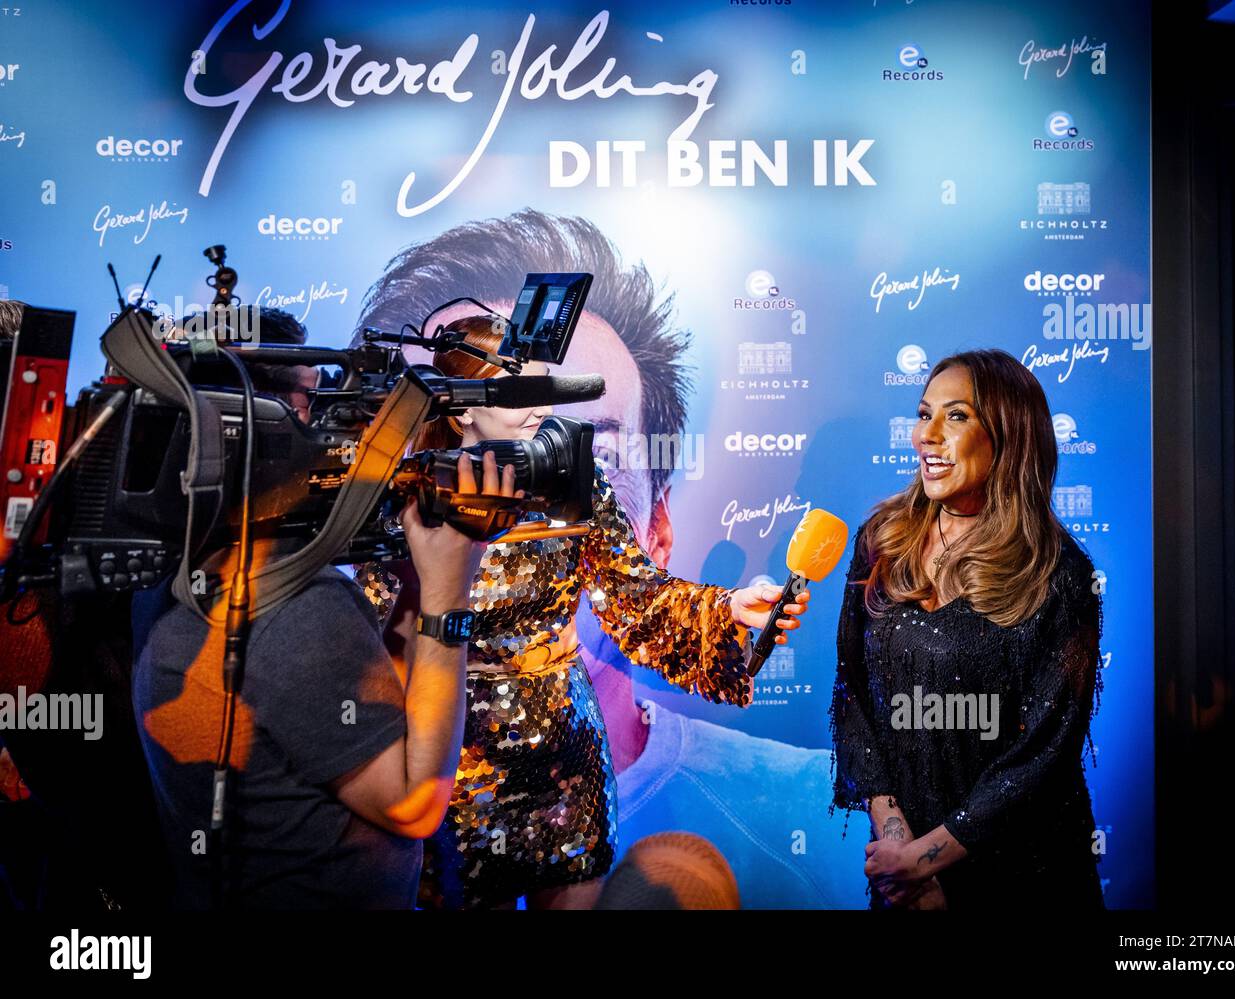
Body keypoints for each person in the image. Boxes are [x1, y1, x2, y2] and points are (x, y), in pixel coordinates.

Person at [357, 208, 869, 908]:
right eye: (512, 381)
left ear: (660, 518)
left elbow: (636, 599)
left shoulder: (575, 482)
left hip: (564, 753)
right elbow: (361, 628)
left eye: (598, 438)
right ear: (456, 402)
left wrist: (727, 611)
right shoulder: (408, 491)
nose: (540, 400)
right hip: (444, 759)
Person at [132, 313, 517, 907]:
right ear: (250, 427)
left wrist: (416, 587)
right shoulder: (291, 607)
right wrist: (449, 595)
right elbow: (415, 804)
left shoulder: (184, 566)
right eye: (316, 402)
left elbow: (367, 715)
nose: (343, 427)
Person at [831, 348, 1105, 910]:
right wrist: (898, 846)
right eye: (923, 413)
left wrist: (930, 859)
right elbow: (854, 696)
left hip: (1022, 877)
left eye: (955, 416)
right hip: (905, 875)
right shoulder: (880, 541)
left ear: (1008, 434)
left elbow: (1043, 755)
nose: (926, 435)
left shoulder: (1059, 574)